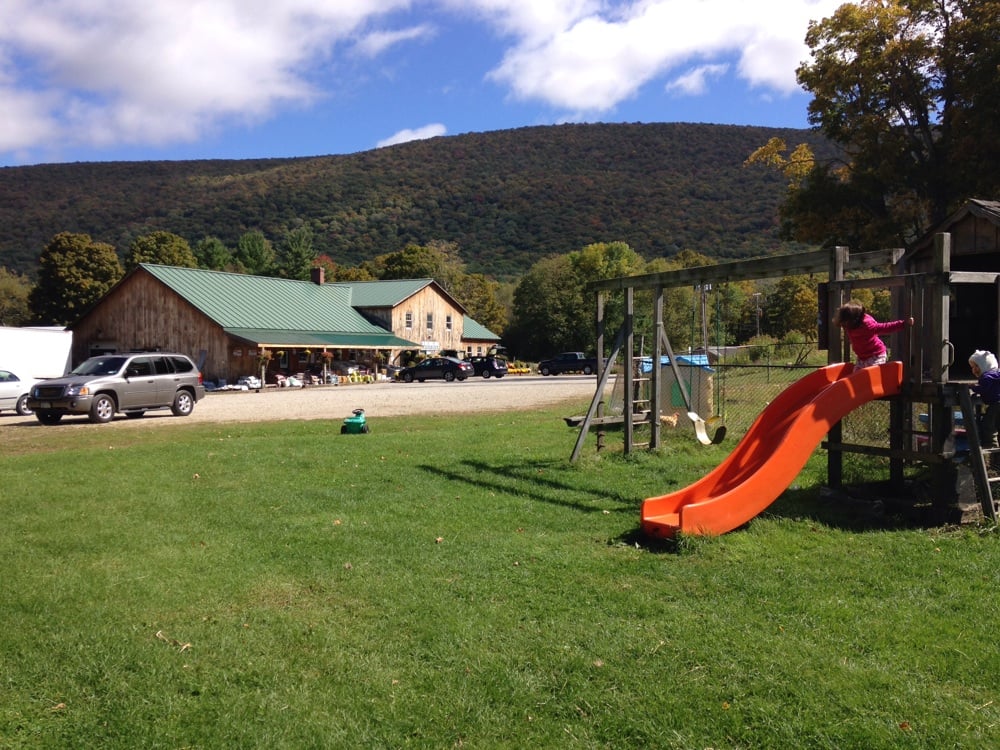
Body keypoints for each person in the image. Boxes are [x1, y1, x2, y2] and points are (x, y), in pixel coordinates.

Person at [834, 300, 914, 367]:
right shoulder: (849, 326)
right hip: (862, 357)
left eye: (845, 323)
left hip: (876, 355)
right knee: (856, 378)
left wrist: (904, 324)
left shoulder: (867, 326)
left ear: (852, 320)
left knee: (870, 375)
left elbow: (886, 327)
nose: (844, 326)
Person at [969, 350, 1000, 449]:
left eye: (976, 367)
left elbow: (984, 388)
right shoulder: (996, 374)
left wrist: (972, 387)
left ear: (985, 365)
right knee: (996, 423)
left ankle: (991, 444)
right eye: (972, 367)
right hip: (997, 402)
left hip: (996, 403)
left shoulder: (987, 377)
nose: (974, 370)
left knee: (988, 424)